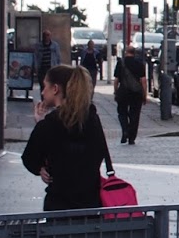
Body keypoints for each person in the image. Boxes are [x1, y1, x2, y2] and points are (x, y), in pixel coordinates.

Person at [22, 64, 111, 212]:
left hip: (59, 204)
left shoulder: (50, 123)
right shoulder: (92, 119)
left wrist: (40, 168)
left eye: (45, 86)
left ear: (55, 89)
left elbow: (30, 159)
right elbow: (99, 151)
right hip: (91, 204)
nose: (43, 92)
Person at [113, 44, 149, 144]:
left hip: (123, 92)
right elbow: (143, 81)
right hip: (136, 93)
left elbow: (116, 80)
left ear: (126, 52)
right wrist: (144, 95)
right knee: (135, 115)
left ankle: (125, 130)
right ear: (134, 53)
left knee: (122, 112)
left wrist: (116, 92)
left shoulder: (121, 63)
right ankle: (131, 137)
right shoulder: (140, 64)